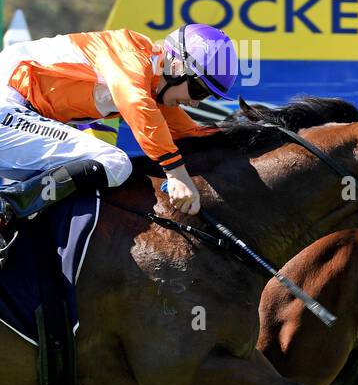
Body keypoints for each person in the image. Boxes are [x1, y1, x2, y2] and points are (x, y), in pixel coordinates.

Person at [0, 24, 238, 249]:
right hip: (9, 103)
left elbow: (192, 135)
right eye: (198, 90)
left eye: (206, 96)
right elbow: (135, 102)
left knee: (76, 176)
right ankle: (7, 209)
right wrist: (176, 173)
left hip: (17, 112)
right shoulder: (132, 55)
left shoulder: (153, 82)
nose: (195, 102)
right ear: (175, 67)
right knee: (114, 162)